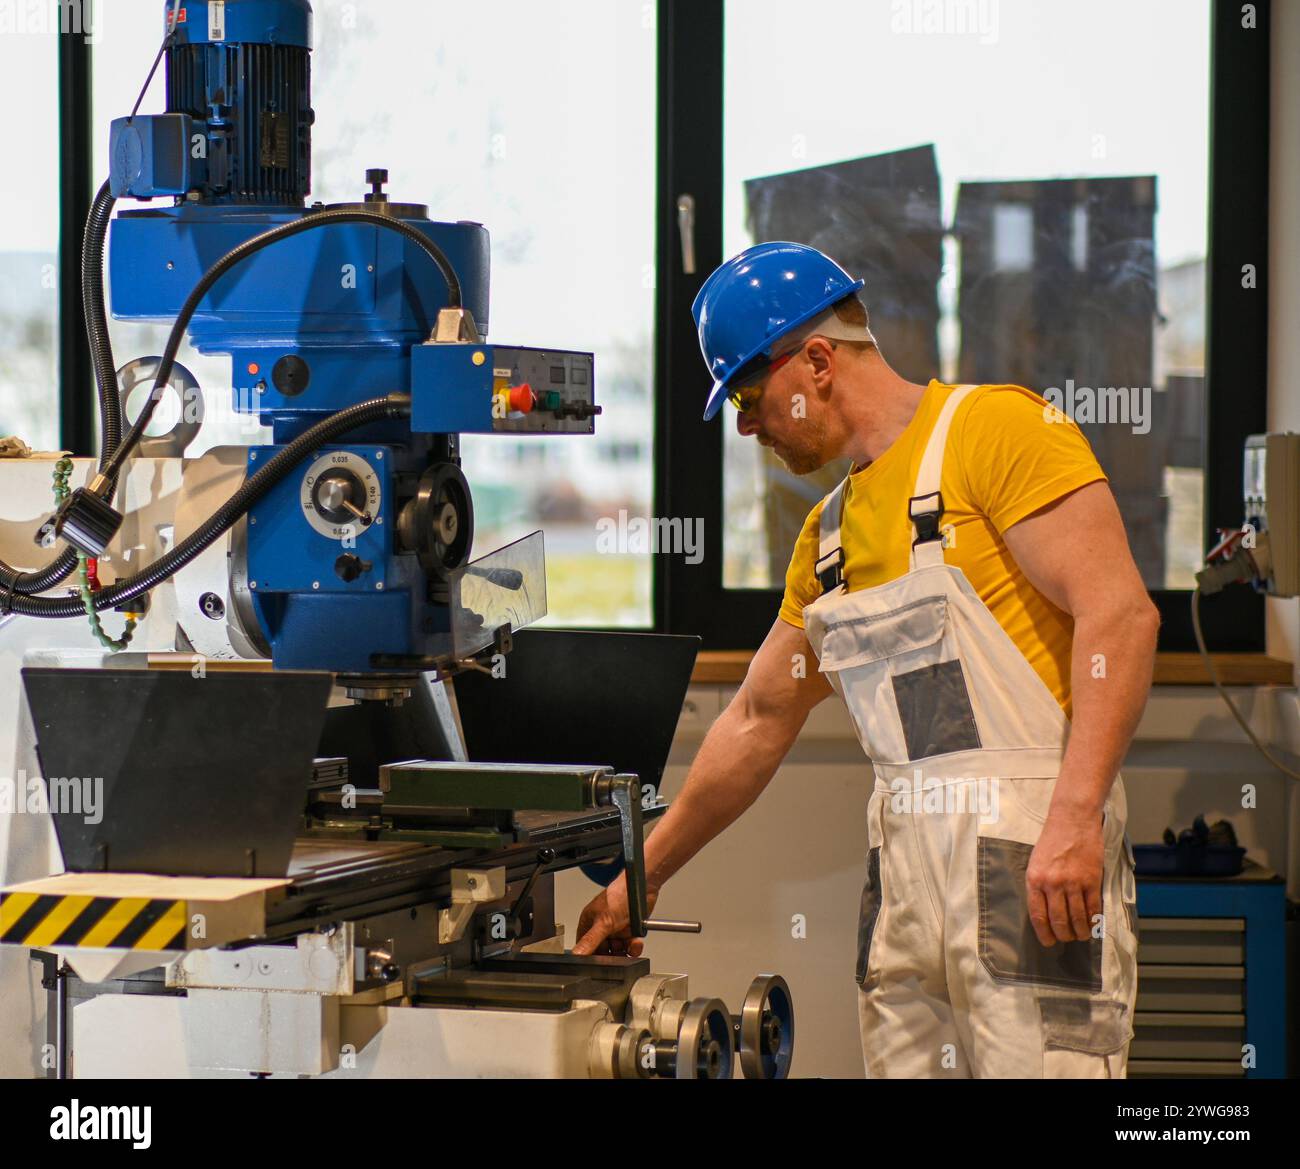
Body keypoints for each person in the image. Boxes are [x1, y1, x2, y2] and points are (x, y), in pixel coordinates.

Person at [574, 241, 1156, 1077]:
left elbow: (1121, 618)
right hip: (906, 887)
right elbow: (756, 718)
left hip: (1033, 865)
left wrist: (1075, 814)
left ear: (816, 360)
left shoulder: (996, 431)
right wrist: (646, 872)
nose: (743, 424)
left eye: (746, 392)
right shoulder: (830, 539)